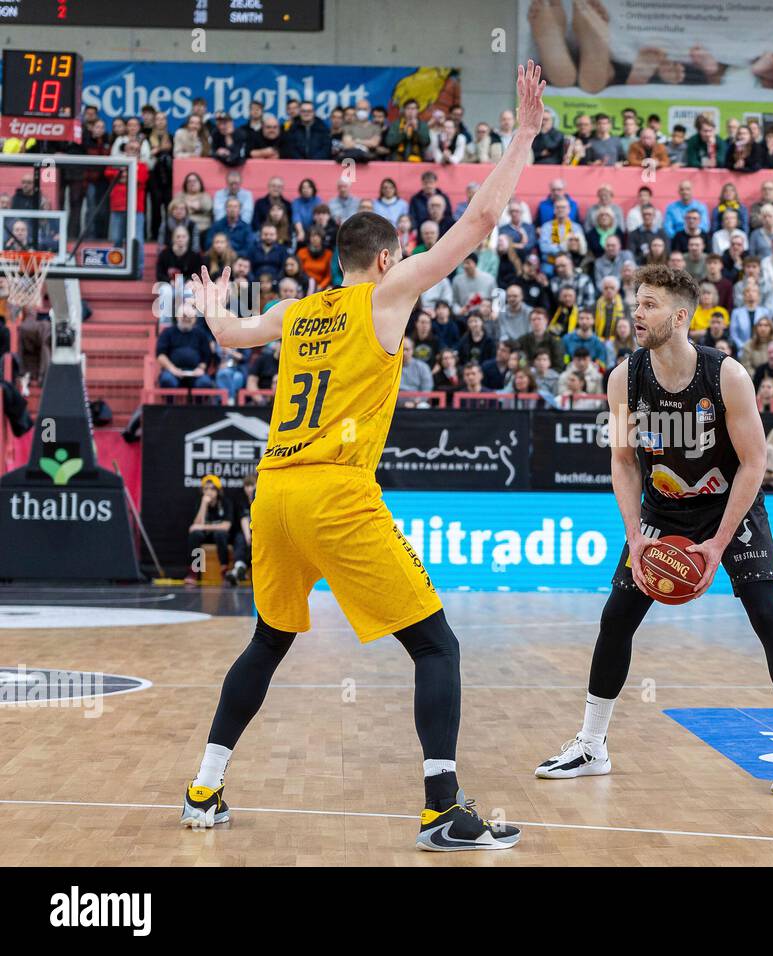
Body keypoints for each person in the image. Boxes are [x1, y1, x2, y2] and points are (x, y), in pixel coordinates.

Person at [178, 62, 548, 852]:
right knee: (436, 644)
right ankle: (441, 809)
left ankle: (204, 788)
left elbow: (232, 335)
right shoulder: (386, 296)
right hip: (334, 494)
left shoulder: (296, 307)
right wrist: (521, 135)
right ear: (386, 260)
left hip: (271, 491)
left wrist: (213, 308)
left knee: (269, 641)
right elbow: (480, 221)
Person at [534, 265, 773, 795]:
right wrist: (634, 536)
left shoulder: (727, 376)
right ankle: (591, 745)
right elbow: (624, 462)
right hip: (664, 509)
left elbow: (754, 461)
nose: (637, 312)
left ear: (679, 316)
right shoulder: (625, 377)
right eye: (636, 302)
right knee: (616, 617)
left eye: (648, 304)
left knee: (767, 615)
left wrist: (718, 542)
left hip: (728, 506)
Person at [185, 475, 231, 587]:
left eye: (212, 488)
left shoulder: (225, 503)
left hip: (219, 536)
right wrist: (204, 504)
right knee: (195, 535)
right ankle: (194, 572)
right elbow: (197, 525)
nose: (209, 492)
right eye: (206, 489)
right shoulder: (200, 502)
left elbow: (226, 526)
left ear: (218, 491)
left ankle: (224, 571)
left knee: (220, 534)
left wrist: (202, 527)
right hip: (204, 535)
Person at [225, 471, 257, 587]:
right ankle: (239, 567)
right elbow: (243, 518)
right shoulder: (241, 500)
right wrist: (248, 535)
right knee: (240, 538)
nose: (249, 489)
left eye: (252, 486)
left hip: (260, 533)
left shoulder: (261, 499)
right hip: (246, 532)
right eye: (246, 486)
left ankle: (239, 571)